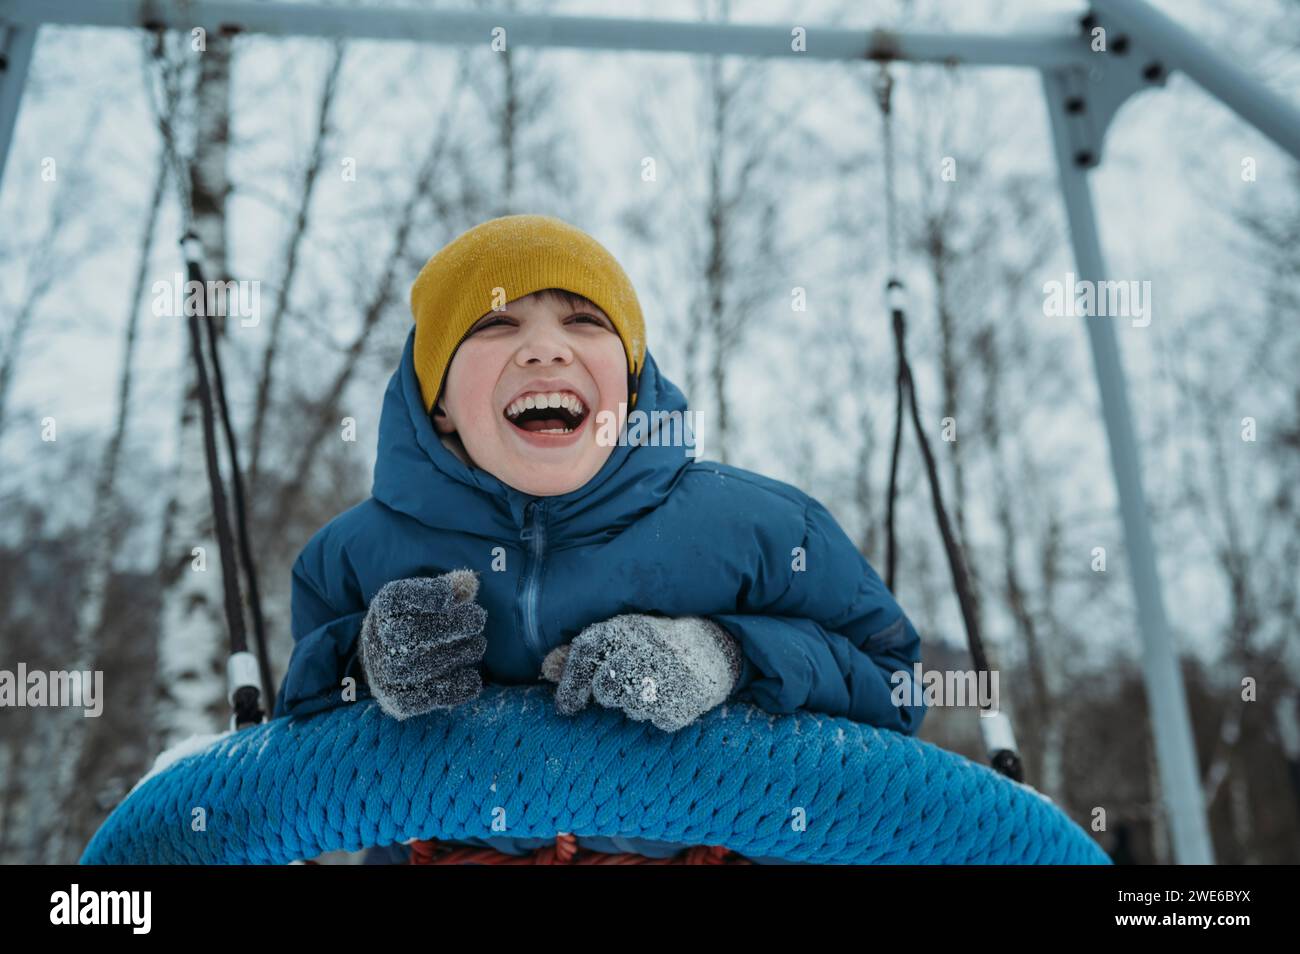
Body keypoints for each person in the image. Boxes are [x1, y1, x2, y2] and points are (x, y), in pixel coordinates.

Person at [274, 214, 927, 862]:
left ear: (631, 380)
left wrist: (730, 655)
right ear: (437, 398)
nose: (544, 349)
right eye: (495, 324)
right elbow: (297, 732)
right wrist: (367, 664)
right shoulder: (354, 556)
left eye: (584, 322)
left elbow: (894, 687)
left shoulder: (761, 529)